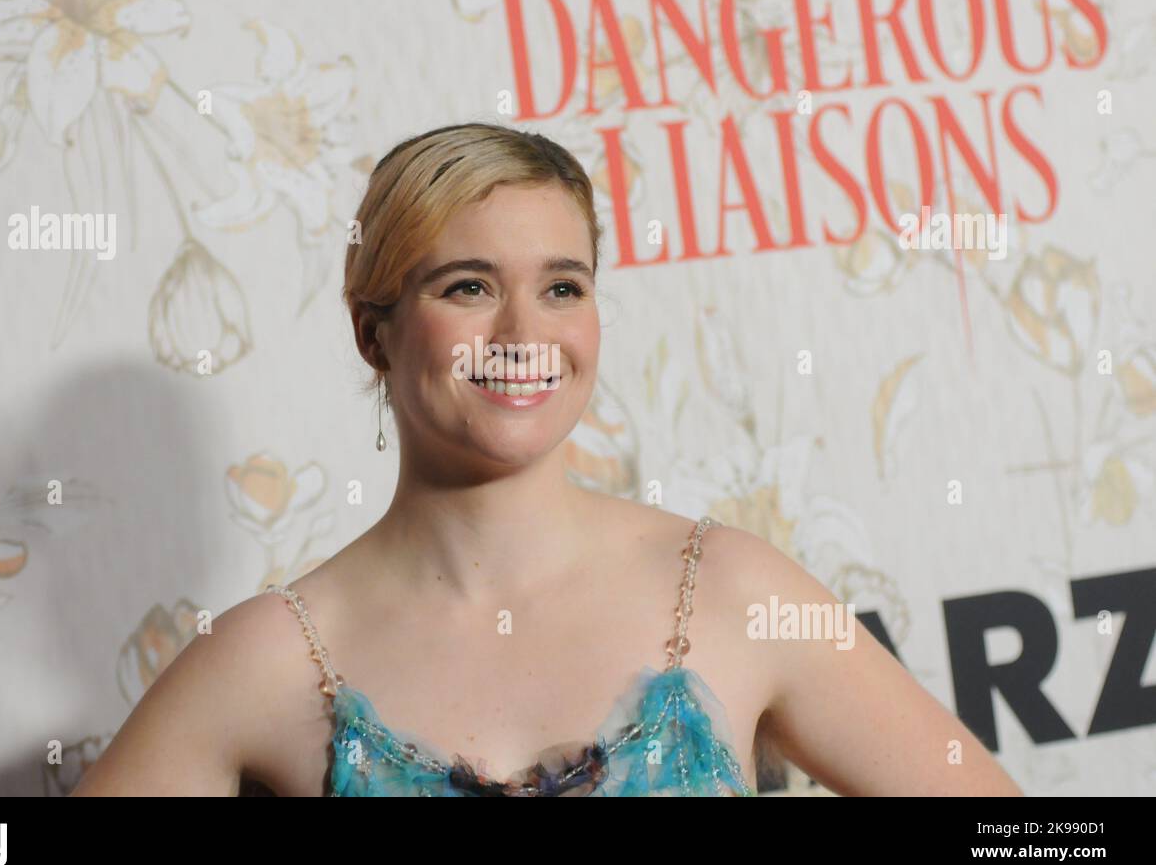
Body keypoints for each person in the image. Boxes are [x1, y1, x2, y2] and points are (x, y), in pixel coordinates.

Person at [73, 122, 1023, 797]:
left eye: (562, 285)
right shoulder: (269, 658)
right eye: (470, 285)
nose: (525, 332)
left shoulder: (728, 588)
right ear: (375, 335)